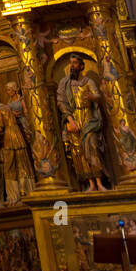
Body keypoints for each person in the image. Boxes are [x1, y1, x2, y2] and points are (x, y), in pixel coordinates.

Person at [56, 54, 109, 191]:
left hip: (88, 118)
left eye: (75, 63)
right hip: (74, 119)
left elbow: (97, 95)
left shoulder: (88, 81)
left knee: (92, 146)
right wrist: (70, 121)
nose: (72, 66)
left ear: (81, 66)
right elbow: (61, 102)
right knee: (78, 152)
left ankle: (99, 182)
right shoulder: (65, 83)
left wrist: (92, 97)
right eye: (70, 63)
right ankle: (90, 183)